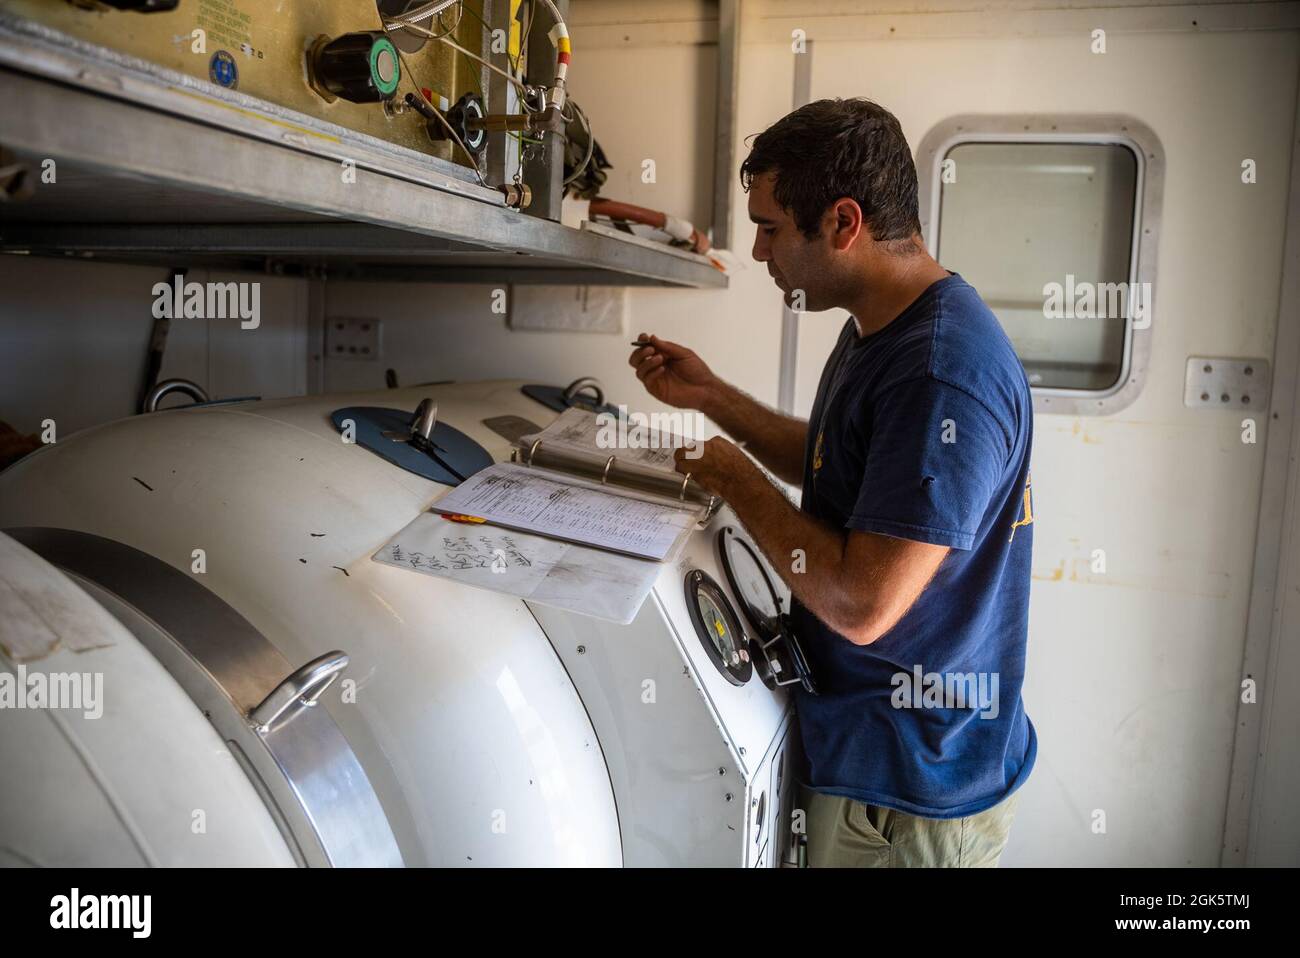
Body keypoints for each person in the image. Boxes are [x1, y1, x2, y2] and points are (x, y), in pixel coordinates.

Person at [628, 97, 1036, 867]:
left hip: (906, 791)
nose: (757, 252)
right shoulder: (886, 326)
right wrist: (712, 398)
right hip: (868, 751)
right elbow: (840, 465)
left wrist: (729, 474)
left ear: (843, 224)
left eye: (771, 227)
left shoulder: (941, 371)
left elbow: (861, 604)